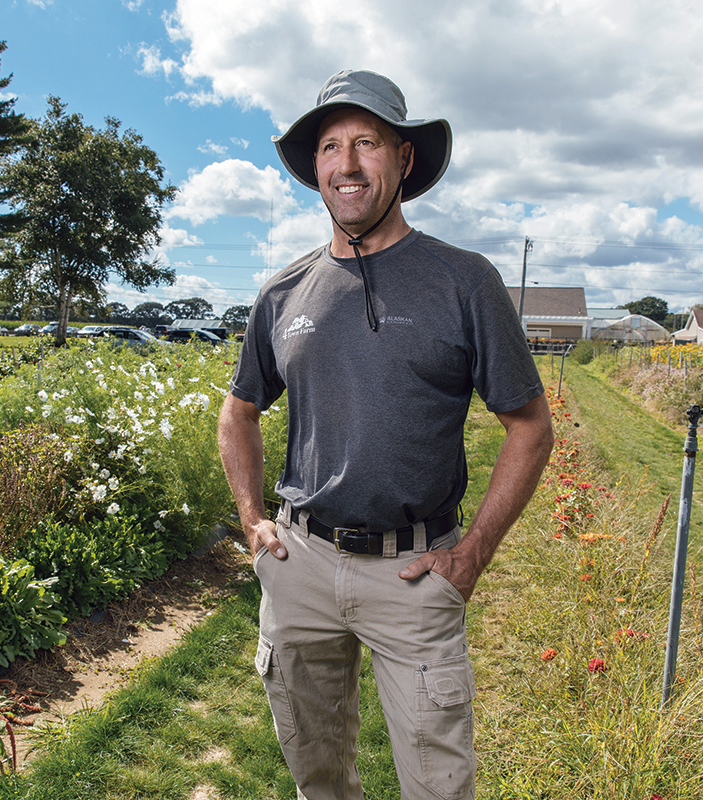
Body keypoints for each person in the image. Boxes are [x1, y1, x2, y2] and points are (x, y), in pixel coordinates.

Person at [217, 69, 555, 800]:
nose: (346, 163)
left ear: (404, 159)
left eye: (366, 143)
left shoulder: (463, 281)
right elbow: (239, 410)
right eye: (330, 146)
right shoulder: (283, 292)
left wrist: (473, 553)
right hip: (301, 565)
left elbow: (530, 426)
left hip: (414, 575)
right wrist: (251, 519)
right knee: (317, 777)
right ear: (315, 167)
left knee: (439, 787)